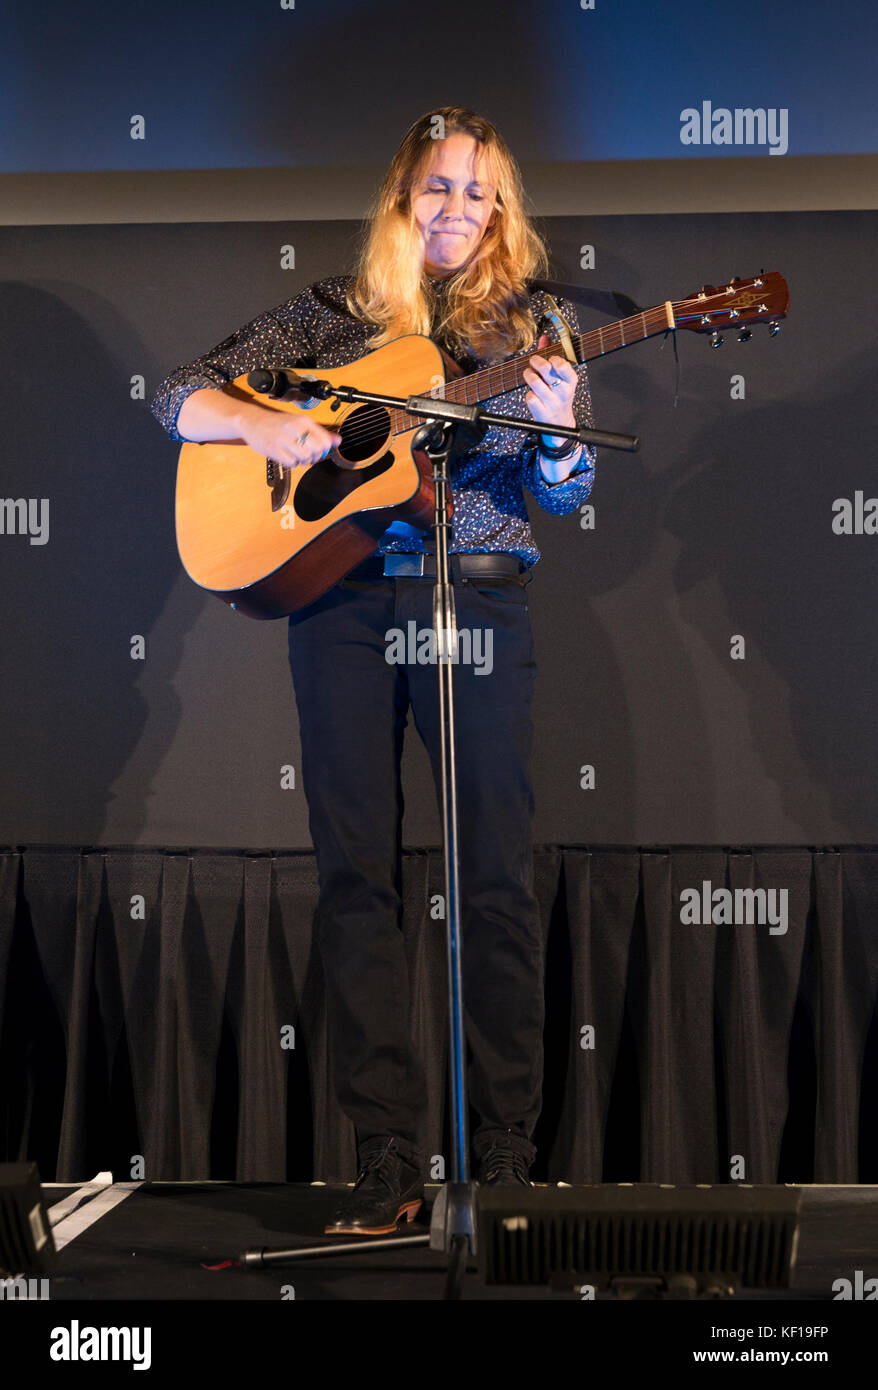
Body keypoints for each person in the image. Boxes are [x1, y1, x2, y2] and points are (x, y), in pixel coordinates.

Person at [150, 105, 597, 1235]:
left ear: (501, 211)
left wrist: (554, 433)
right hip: (343, 603)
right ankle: (385, 1155)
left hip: (478, 597)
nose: (456, 210)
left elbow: (560, 495)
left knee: (494, 873)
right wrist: (271, 434)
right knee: (358, 875)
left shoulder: (534, 325)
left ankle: (501, 1150)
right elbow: (175, 392)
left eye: (478, 193)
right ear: (402, 197)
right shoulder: (334, 318)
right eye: (438, 188)